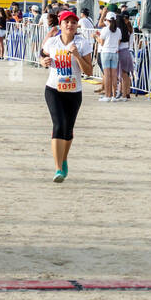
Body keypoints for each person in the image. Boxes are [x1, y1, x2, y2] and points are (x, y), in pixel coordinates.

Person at [39, 11, 93, 182]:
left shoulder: (82, 43)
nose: (70, 25)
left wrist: (76, 55)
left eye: (73, 22)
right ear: (60, 25)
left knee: (68, 130)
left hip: (74, 92)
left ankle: (63, 159)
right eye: (66, 22)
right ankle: (58, 169)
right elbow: (42, 55)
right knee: (59, 125)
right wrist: (43, 62)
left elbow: (89, 72)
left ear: (77, 25)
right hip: (54, 89)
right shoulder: (52, 42)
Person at [96, 10, 122, 102]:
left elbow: (102, 43)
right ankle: (114, 96)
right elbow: (118, 42)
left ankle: (107, 95)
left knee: (107, 75)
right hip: (115, 53)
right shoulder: (118, 30)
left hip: (106, 53)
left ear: (107, 20)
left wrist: (96, 37)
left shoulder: (105, 30)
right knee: (114, 75)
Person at [116, 10, 135, 100]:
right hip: (128, 51)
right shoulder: (130, 28)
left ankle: (123, 93)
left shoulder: (121, 29)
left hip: (122, 51)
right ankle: (127, 92)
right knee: (126, 74)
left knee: (123, 74)